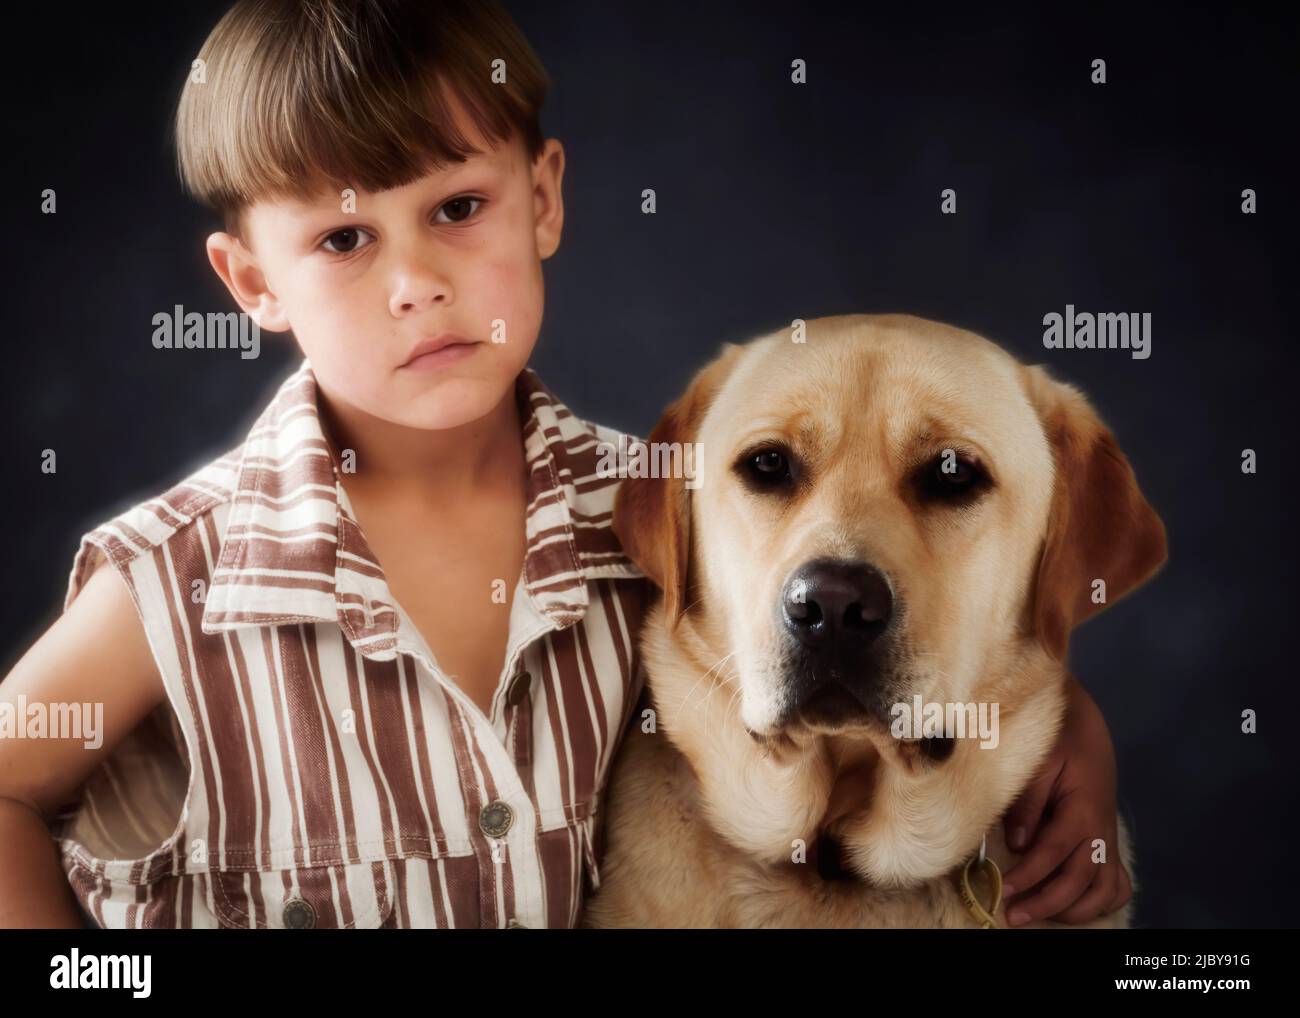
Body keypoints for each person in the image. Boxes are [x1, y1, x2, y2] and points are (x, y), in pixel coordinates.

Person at [0, 0, 1130, 928]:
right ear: (251, 284)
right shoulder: (188, 574)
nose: (417, 283)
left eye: (457, 208)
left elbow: (900, 629)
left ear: (540, 199)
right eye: (344, 239)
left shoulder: (658, 504)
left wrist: (1075, 736)